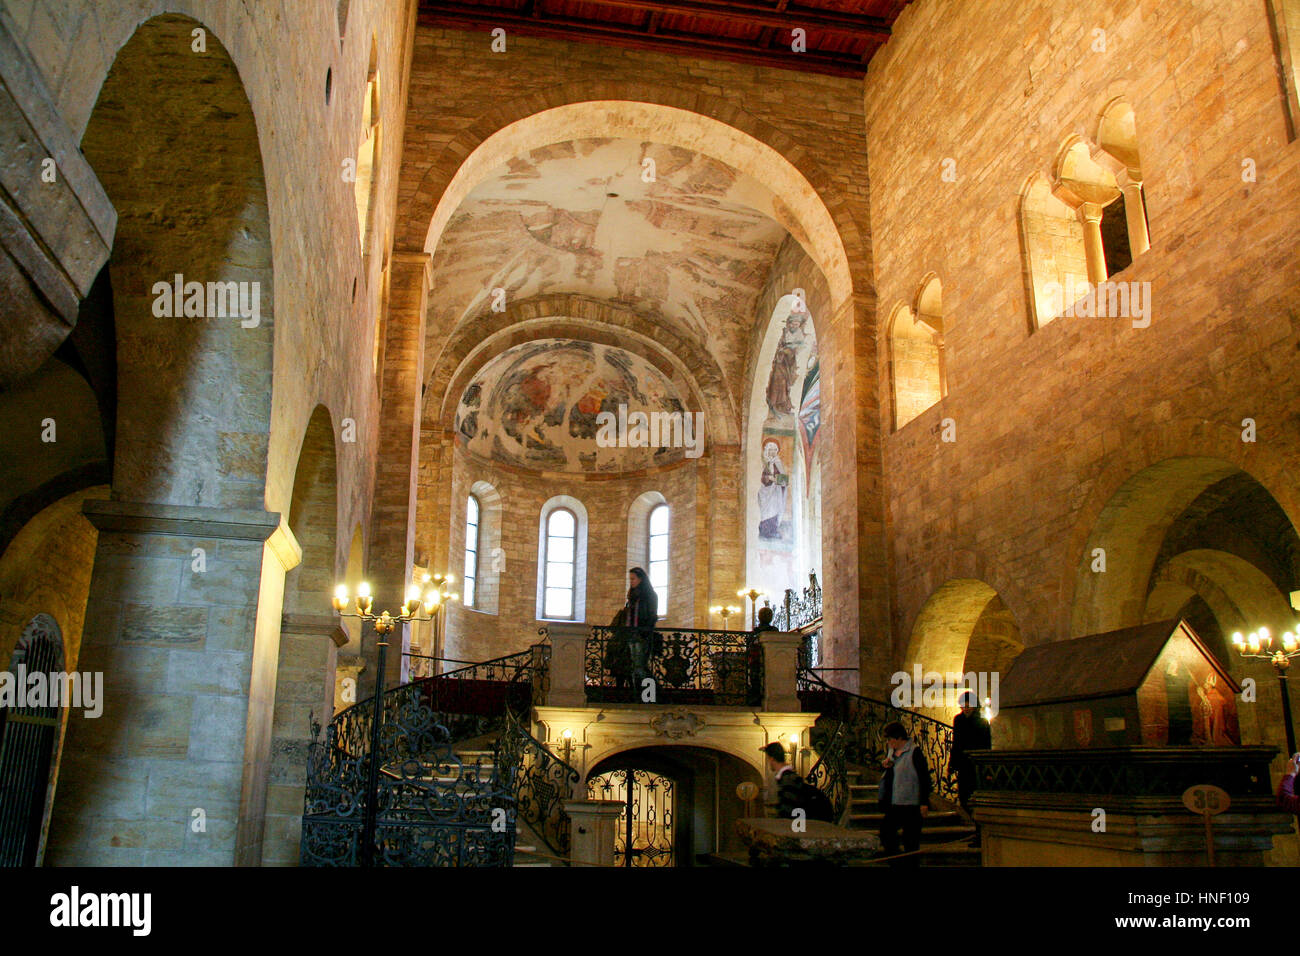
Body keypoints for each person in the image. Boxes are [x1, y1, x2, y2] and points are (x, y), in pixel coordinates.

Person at [878, 721, 930, 866]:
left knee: (911, 842)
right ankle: (897, 863)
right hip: (895, 803)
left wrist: (924, 802)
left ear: (899, 738)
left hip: (911, 804)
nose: (888, 743)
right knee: (886, 834)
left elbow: (924, 778)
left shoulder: (915, 752)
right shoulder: (892, 753)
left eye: (890, 739)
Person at [949, 690, 991, 819]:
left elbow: (986, 744)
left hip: (976, 763)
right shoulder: (958, 720)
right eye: (963, 706)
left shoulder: (982, 722)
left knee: (975, 791)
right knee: (964, 792)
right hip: (963, 762)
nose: (966, 709)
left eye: (968, 706)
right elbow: (956, 742)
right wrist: (952, 763)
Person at [623, 567, 658, 697]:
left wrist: (644, 632)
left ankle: (651, 695)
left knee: (640, 666)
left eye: (633, 579)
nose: (631, 582)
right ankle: (640, 694)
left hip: (642, 635)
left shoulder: (650, 596)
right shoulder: (632, 596)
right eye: (630, 579)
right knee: (635, 666)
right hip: (631, 635)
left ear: (641, 579)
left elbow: (652, 616)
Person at [761, 741, 804, 819]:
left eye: (767, 758)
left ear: (772, 758)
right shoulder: (785, 777)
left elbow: (789, 809)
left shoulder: (788, 778)